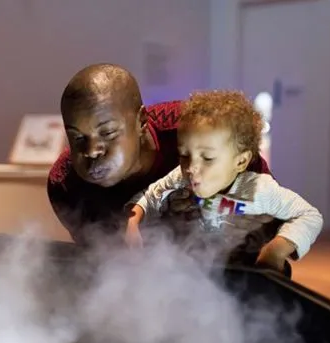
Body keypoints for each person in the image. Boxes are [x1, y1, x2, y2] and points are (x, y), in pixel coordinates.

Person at [47, 63, 271, 245]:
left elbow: (270, 211)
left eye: (107, 132)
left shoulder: (199, 133)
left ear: (142, 121)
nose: (91, 151)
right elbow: (100, 266)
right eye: (77, 137)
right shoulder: (66, 184)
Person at [125, 90, 323, 273]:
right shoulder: (181, 176)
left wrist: (276, 250)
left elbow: (309, 215)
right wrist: (133, 222)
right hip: (200, 272)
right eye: (184, 155)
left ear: (241, 161)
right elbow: (151, 195)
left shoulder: (259, 189)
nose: (191, 167)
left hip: (247, 274)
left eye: (208, 158)